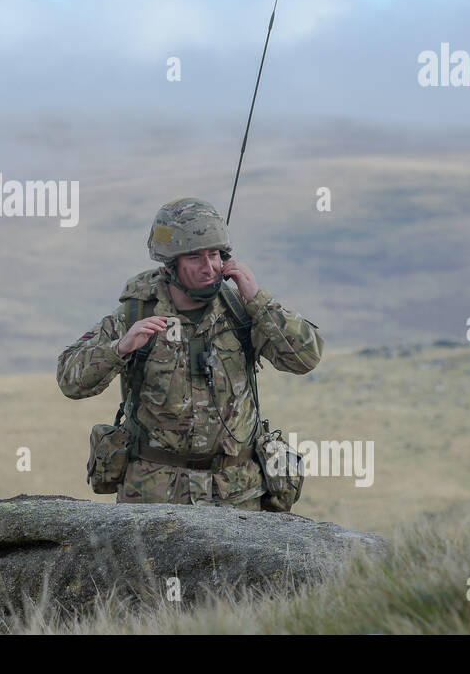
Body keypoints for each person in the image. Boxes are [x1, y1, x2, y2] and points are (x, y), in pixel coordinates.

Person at [57, 197, 322, 510]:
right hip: (154, 496)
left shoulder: (242, 311)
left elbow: (305, 358)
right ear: (170, 264)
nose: (208, 267)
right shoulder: (135, 314)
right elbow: (70, 379)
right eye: (195, 257)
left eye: (215, 255)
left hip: (237, 494)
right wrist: (120, 348)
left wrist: (259, 301)